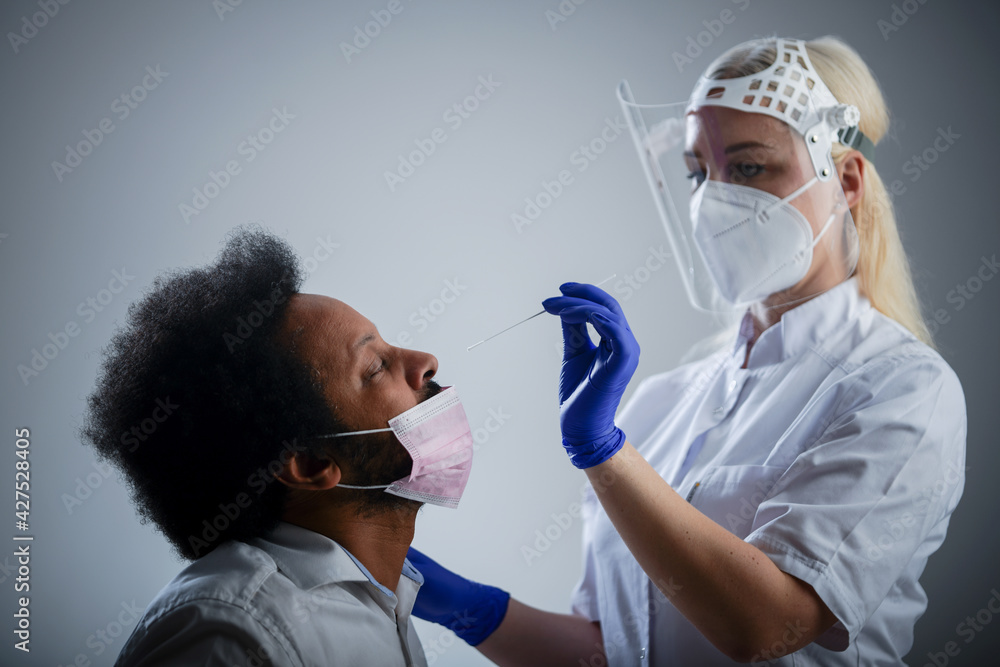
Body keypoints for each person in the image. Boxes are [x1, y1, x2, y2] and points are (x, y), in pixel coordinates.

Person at [406, 36, 966, 665]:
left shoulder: (901, 389)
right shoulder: (659, 404)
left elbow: (766, 628)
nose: (713, 202)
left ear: (847, 180)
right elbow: (607, 652)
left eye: (750, 168)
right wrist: (463, 607)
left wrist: (605, 454)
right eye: (698, 173)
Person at [82, 226, 478, 666]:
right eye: (376, 367)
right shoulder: (232, 632)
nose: (426, 362)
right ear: (310, 463)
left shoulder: (384, 601)